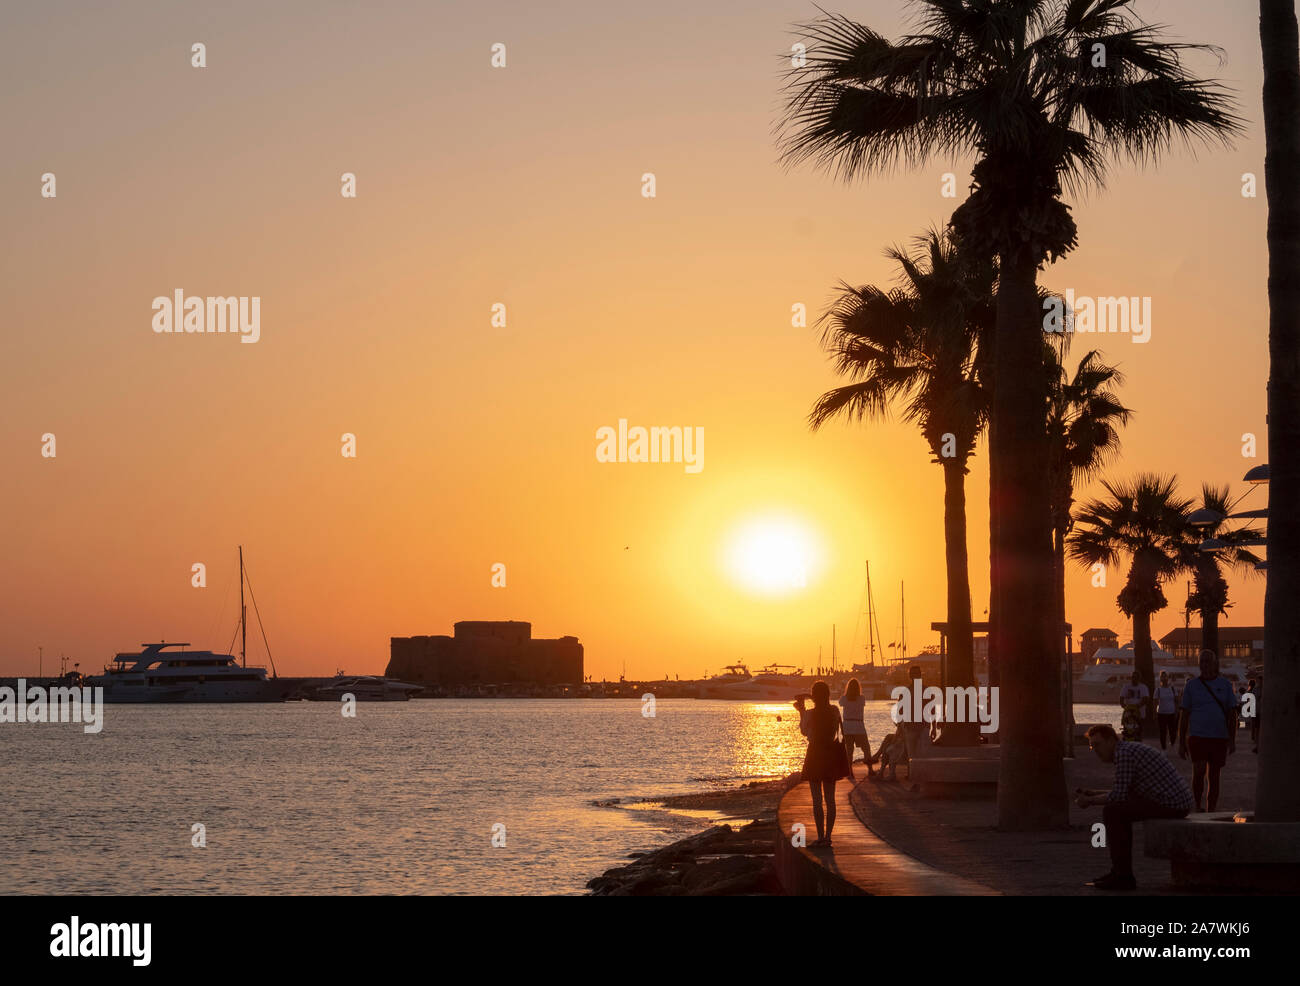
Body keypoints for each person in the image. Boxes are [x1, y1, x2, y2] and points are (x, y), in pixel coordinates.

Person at [1076, 724, 1193, 891]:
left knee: (1113, 812)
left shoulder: (1123, 755)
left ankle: (1123, 875)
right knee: (1116, 810)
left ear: (1110, 740)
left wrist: (1090, 801)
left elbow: (1119, 796)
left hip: (1172, 804)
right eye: (1092, 746)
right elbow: (1125, 791)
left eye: (1097, 744)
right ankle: (1119, 872)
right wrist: (1093, 793)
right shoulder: (1127, 750)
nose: (1095, 750)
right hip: (1173, 800)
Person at [1178, 650, 1237, 812]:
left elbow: (1232, 714)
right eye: (1202, 661)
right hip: (1198, 736)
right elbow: (1184, 715)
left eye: (1208, 661)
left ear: (1214, 663)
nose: (1205, 665)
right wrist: (1181, 742)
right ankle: (1197, 805)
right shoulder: (1191, 685)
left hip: (1219, 737)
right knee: (1198, 771)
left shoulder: (1225, 685)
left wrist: (1232, 739)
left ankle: (1211, 808)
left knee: (1214, 775)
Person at [794, 681, 850, 848]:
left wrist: (801, 711)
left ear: (814, 696)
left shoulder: (810, 714)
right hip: (831, 753)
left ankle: (820, 836)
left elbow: (804, 731)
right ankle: (828, 836)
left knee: (817, 800)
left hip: (815, 754)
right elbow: (837, 729)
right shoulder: (834, 710)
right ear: (828, 694)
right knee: (830, 799)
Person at [837, 678, 874, 778]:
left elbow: (840, 703)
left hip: (847, 726)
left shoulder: (844, 698)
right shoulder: (861, 698)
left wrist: (843, 693)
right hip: (858, 726)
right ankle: (870, 770)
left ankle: (850, 772)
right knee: (866, 748)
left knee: (849, 750)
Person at [1118, 671, 1150, 740]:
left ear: (1139, 678)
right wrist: (1126, 707)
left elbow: (1146, 699)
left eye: (1136, 677)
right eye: (1132, 677)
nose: (1134, 679)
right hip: (1128, 714)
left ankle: (1138, 743)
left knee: (1138, 731)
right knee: (1127, 730)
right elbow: (1121, 698)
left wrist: (1137, 706)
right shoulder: (1126, 687)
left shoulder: (1143, 687)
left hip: (1140, 714)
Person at [1153, 671, 1178, 750]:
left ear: (1168, 678)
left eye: (1165, 676)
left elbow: (1177, 701)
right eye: (1162, 677)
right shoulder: (1158, 690)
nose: (1164, 678)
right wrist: (1154, 713)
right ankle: (1164, 748)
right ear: (1160, 679)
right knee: (1162, 732)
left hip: (1171, 713)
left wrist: (1177, 711)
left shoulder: (1173, 689)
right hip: (1161, 713)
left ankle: (1172, 743)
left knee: (1173, 731)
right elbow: (1155, 702)